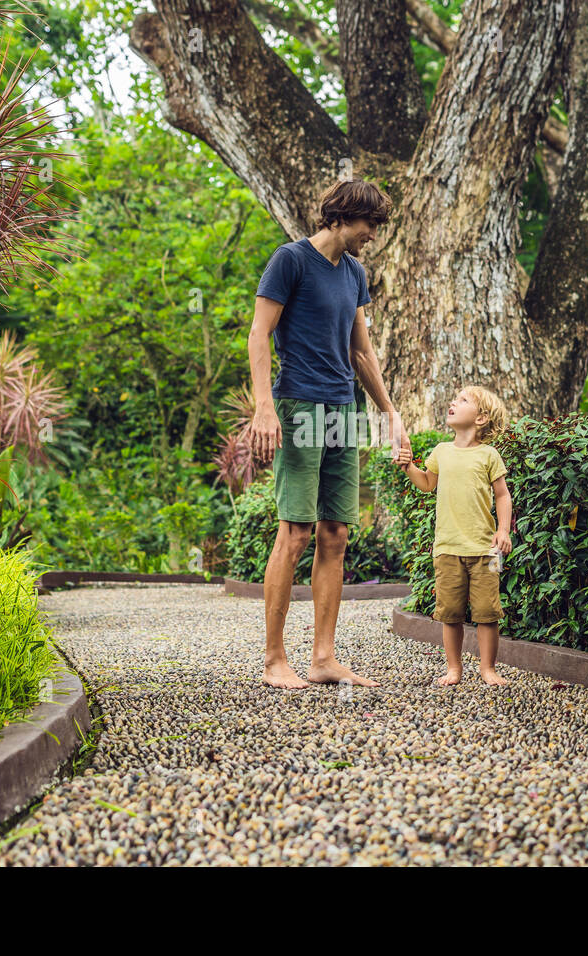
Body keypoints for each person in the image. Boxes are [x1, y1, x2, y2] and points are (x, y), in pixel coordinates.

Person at [247, 178, 413, 689]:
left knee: (335, 534)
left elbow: (360, 351)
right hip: (299, 405)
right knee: (295, 532)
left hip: (345, 409)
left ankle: (323, 657)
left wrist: (389, 411)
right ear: (341, 216)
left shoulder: (355, 274)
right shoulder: (290, 260)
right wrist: (264, 408)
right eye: (369, 224)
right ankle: (275, 660)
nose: (373, 235)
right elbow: (259, 333)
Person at [396, 386, 512, 685]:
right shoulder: (441, 452)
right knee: (450, 614)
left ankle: (488, 669)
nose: (453, 402)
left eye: (463, 400)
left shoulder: (489, 455)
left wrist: (503, 530)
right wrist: (409, 466)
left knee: (488, 612)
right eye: (455, 399)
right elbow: (426, 483)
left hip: (487, 551)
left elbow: (502, 496)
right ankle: (454, 669)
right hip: (446, 549)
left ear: (481, 418)